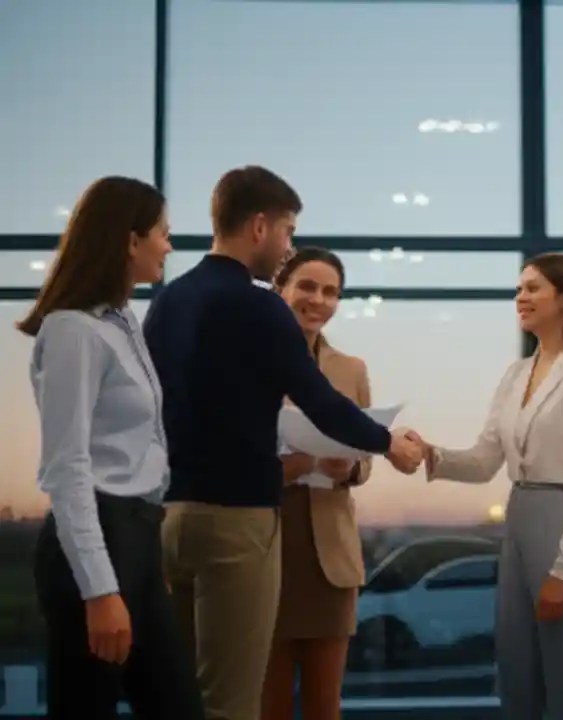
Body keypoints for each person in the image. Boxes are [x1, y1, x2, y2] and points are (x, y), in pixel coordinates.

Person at [142, 166, 423, 720]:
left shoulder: (166, 303)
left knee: (182, 695)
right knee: (233, 704)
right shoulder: (259, 304)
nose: (288, 245)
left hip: (169, 518)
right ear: (261, 226)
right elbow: (320, 401)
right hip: (236, 523)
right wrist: (387, 442)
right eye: (288, 231)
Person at [19, 176, 205, 719]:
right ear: (130, 241)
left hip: (137, 538)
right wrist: (100, 589)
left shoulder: (123, 322)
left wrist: (146, 559)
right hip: (95, 540)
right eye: (163, 234)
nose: (169, 247)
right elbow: (67, 470)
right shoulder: (73, 331)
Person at [418, 252, 563, 720]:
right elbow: (485, 459)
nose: (520, 297)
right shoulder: (515, 375)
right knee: (518, 683)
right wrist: (430, 454)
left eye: (533, 288)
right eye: (518, 288)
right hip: (519, 526)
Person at [260, 247, 371, 720]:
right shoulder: (244, 362)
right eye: (307, 286)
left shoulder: (351, 369)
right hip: (262, 547)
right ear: (279, 289)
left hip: (330, 557)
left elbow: (365, 456)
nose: (318, 300)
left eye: (331, 292)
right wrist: (290, 463)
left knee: (326, 706)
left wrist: (349, 468)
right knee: (269, 705)